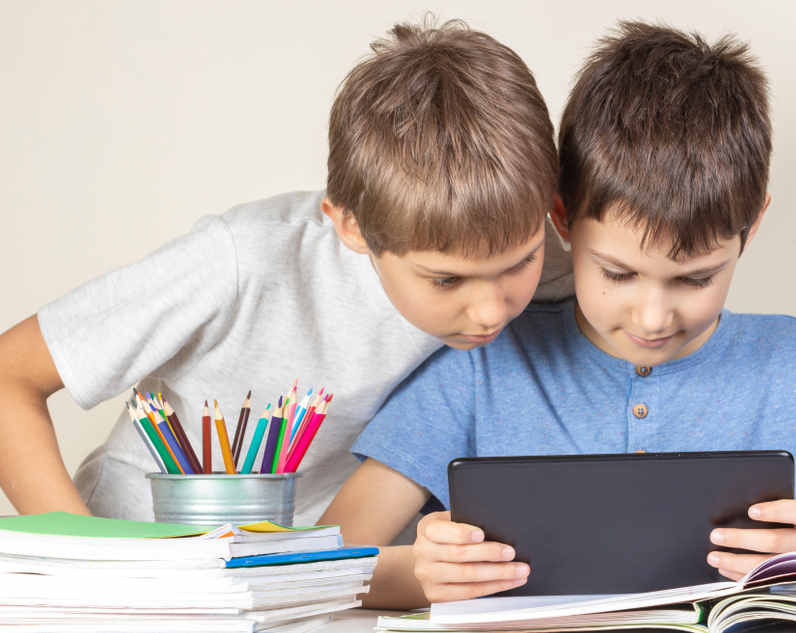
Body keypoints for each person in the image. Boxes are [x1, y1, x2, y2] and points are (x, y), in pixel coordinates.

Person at [321, 21, 796, 610]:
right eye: (616, 273)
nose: (653, 313)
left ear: (750, 229)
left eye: (696, 277)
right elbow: (323, 564)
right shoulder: (481, 367)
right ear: (561, 219)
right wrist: (419, 571)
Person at [0, 18, 573, 529]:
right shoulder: (241, 261)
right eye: (446, 281)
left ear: (549, 210)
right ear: (349, 226)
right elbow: (9, 375)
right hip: (139, 552)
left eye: (521, 261)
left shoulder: (562, 262)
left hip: (319, 580)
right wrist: (89, 556)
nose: (493, 310)